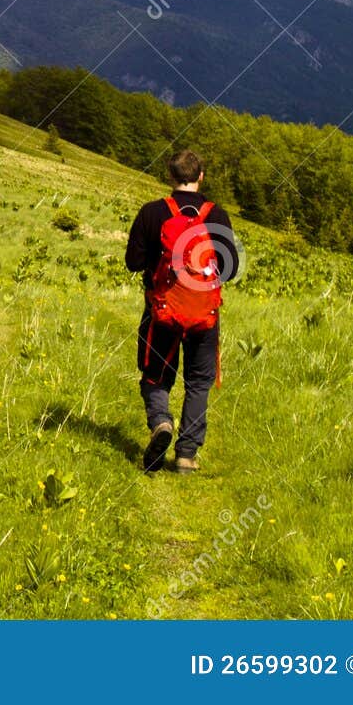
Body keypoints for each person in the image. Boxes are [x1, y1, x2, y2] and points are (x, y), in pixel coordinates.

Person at [124, 149, 239, 474]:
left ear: (170, 175)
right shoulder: (217, 215)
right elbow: (230, 269)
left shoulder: (152, 212)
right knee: (199, 381)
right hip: (204, 315)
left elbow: (133, 262)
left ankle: (161, 422)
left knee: (155, 376)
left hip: (161, 311)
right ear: (201, 176)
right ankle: (186, 455)